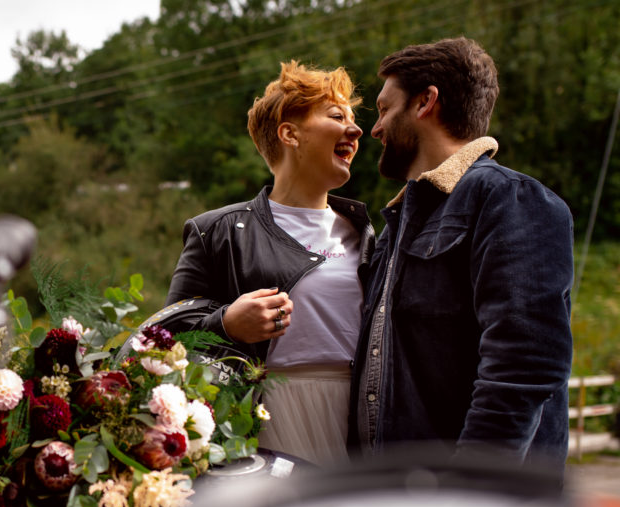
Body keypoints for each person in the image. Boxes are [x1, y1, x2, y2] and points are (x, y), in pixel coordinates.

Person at [349, 37, 574, 474]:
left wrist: (468, 489)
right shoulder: (399, 223)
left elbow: (524, 366)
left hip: (469, 500)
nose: (374, 129)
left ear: (425, 102)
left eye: (384, 109)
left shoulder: (510, 199)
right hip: (398, 494)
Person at [165, 61, 375, 467]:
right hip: (265, 414)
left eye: (354, 119)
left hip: (362, 415)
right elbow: (164, 339)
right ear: (290, 134)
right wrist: (226, 324)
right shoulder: (217, 231)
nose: (356, 130)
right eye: (337, 116)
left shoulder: (365, 233)